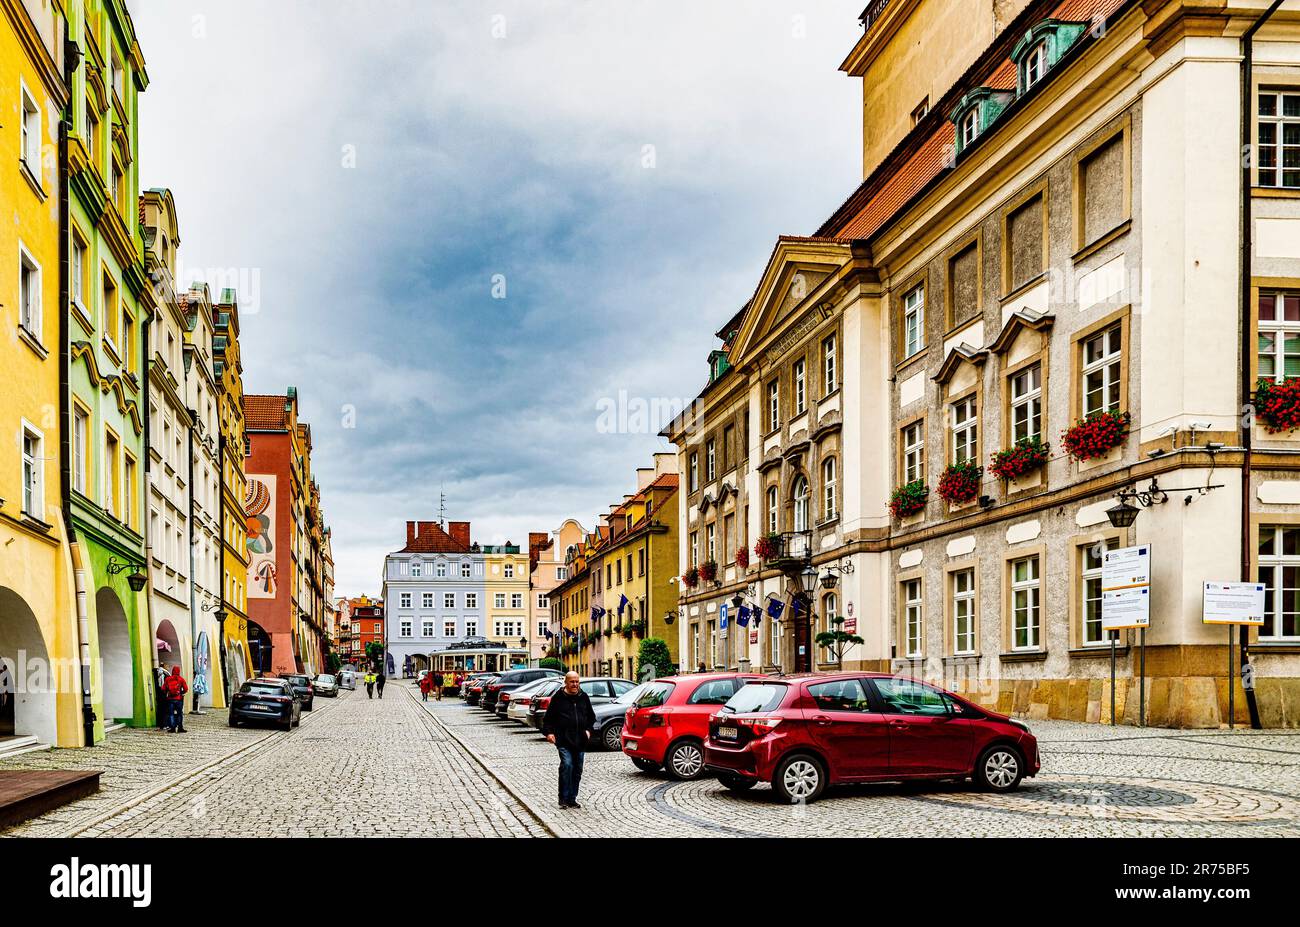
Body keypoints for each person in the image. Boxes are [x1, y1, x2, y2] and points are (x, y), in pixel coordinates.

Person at [542, 672, 595, 809]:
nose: (575, 684)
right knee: (567, 765)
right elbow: (548, 719)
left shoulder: (583, 697)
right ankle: (563, 798)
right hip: (564, 740)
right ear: (566, 682)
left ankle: (572, 798)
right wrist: (549, 733)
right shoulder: (558, 698)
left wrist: (588, 731)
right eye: (572, 682)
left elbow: (591, 717)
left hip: (580, 741)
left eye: (577, 682)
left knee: (577, 769)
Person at [161, 666, 189, 733]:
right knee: (179, 714)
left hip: (170, 699)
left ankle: (172, 728)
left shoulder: (168, 679)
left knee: (171, 714)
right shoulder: (181, 679)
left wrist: (167, 692)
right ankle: (180, 728)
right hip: (178, 699)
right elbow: (186, 689)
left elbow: (163, 688)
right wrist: (181, 693)